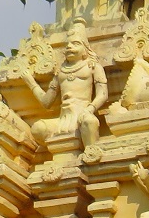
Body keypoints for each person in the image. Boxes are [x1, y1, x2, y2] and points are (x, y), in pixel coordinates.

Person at [30, 18, 107, 148]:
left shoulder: (92, 66)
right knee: (37, 128)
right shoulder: (61, 72)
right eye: (68, 45)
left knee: (89, 122)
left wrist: (89, 109)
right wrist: (30, 81)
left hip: (82, 115)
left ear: (85, 49)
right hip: (63, 119)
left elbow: (103, 95)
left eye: (76, 44)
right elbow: (46, 102)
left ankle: (91, 153)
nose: (70, 47)